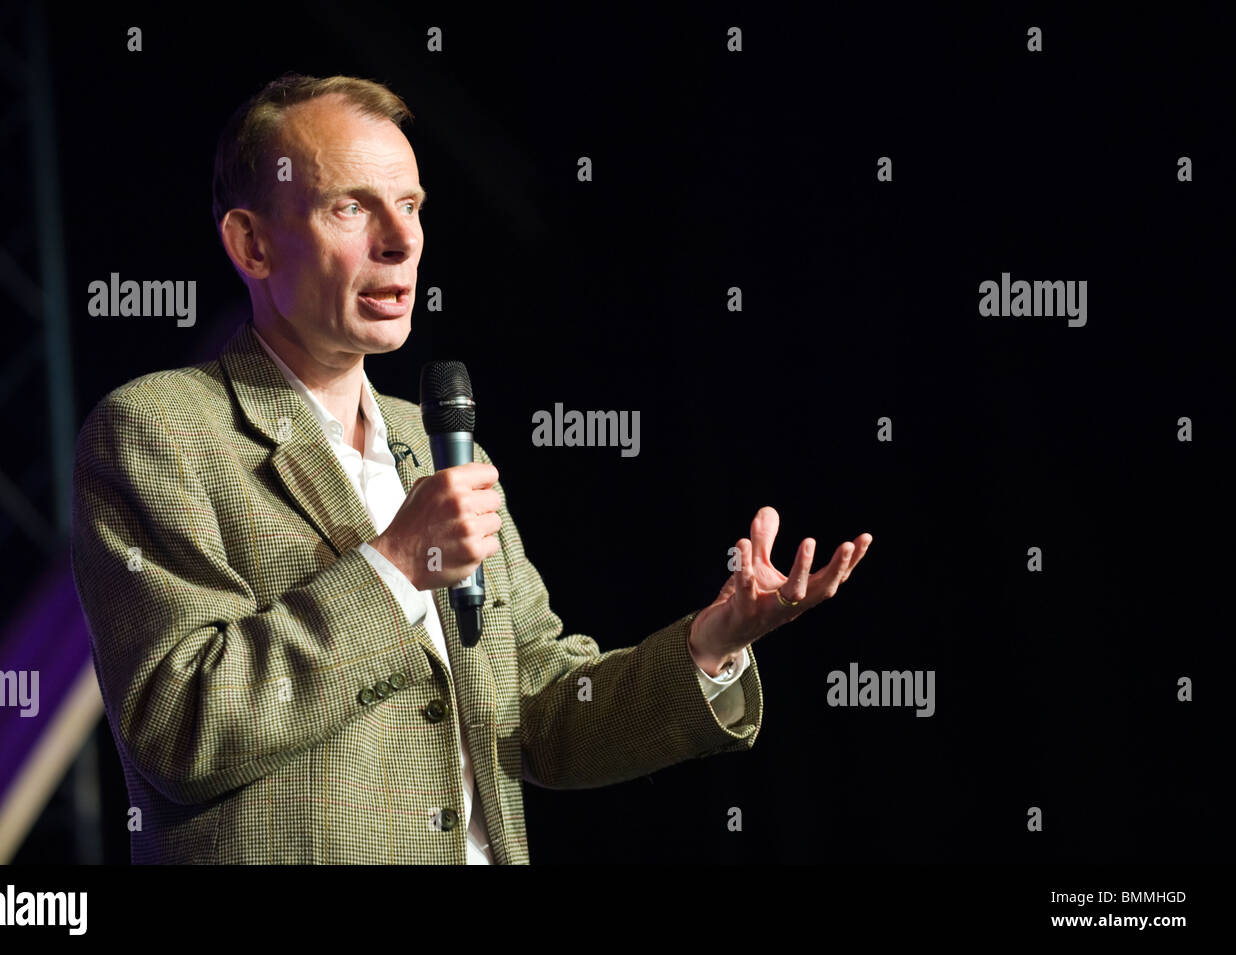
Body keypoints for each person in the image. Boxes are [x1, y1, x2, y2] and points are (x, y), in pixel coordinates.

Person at [70, 73, 872, 864]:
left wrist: (711, 643)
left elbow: (545, 714)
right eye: (351, 206)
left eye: (411, 205)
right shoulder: (160, 429)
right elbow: (179, 728)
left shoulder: (440, 444)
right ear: (252, 242)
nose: (401, 239)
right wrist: (392, 569)